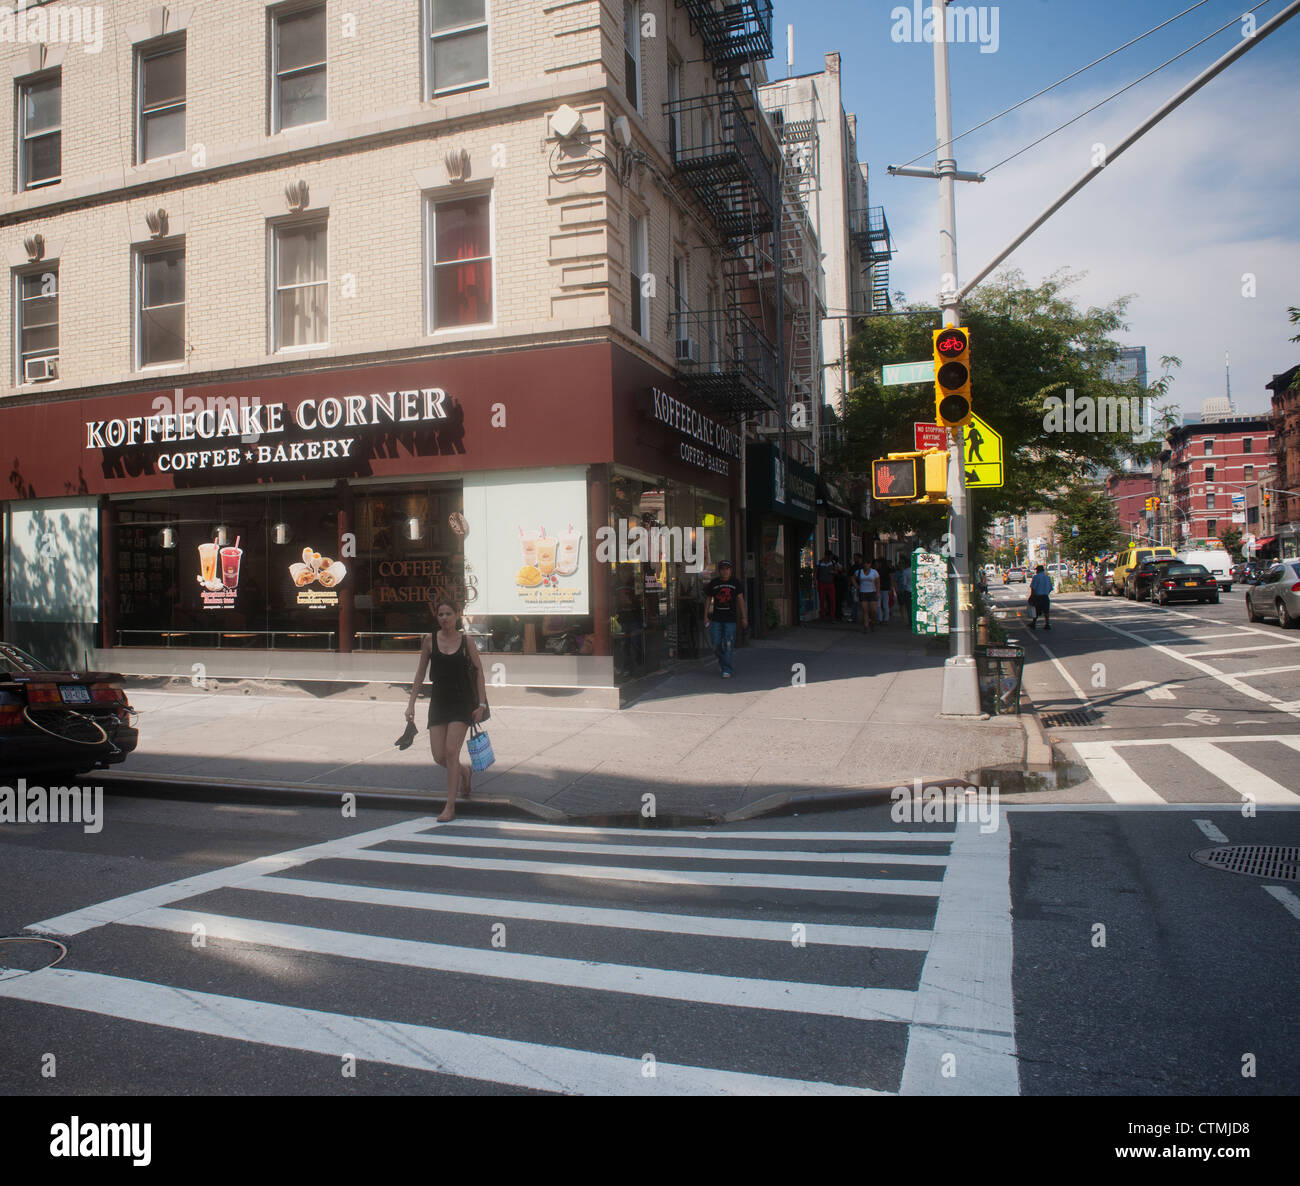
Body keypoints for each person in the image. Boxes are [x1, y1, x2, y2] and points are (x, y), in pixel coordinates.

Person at [406, 598, 488, 821]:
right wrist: (411, 703)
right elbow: (420, 673)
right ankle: (464, 772)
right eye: (440, 614)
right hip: (439, 703)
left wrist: (481, 704)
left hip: (461, 704)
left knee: (452, 752)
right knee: (439, 756)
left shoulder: (466, 641)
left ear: (457, 615)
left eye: (448, 614)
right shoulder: (429, 641)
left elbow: (479, 672)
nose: (444, 618)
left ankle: (450, 806)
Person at [704, 559, 747, 678]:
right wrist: (705, 616)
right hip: (716, 619)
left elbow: (740, 600)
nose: (725, 571)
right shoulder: (714, 583)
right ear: (719, 571)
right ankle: (723, 662)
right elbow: (708, 599)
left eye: (727, 569)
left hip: (730, 620)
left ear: (731, 570)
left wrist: (744, 617)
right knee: (715, 643)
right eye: (722, 569)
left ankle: (726, 669)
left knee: (728, 644)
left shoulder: (735, 583)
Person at [857, 557, 880, 631]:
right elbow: (852, 578)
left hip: (872, 592)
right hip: (863, 592)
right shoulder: (859, 572)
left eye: (868, 563)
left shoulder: (874, 572)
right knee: (865, 610)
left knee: (874, 610)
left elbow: (877, 583)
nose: (866, 565)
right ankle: (866, 626)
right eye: (865, 563)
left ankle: (873, 621)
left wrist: (877, 592)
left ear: (870, 564)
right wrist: (857, 586)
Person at [1028, 564, 1052, 630]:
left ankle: (1034, 623)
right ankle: (1047, 623)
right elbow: (1050, 588)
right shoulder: (1047, 577)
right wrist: (1046, 593)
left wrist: (1032, 596)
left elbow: (1033, 587)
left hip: (1038, 596)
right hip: (1045, 596)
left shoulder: (1036, 577)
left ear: (1038, 571)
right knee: (1046, 611)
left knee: (1036, 610)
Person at [815, 551, 837, 621]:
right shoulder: (820, 562)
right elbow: (815, 572)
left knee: (832, 600)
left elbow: (837, 571)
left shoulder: (833, 563)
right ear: (826, 556)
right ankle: (823, 615)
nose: (830, 558)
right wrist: (815, 581)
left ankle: (832, 616)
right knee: (822, 600)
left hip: (830, 583)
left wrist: (833, 572)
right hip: (822, 583)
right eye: (829, 557)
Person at [875, 555, 893, 624]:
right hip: (885, 588)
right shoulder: (888, 569)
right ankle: (886, 618)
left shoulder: (877, 570)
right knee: (885, 604)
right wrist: (891, 587)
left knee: (879, 604)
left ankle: (880, 618)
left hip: (880, 588)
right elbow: (891, 579)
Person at [847, 553, 864, 623]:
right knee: (856, 602)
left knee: (859, 602)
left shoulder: (860, 567)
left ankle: (858, 616)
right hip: (855, 586)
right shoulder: (854, 567)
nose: (854, 559)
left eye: (855, 558)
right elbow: (850, 577)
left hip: (861, 586)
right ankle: (855, 616)